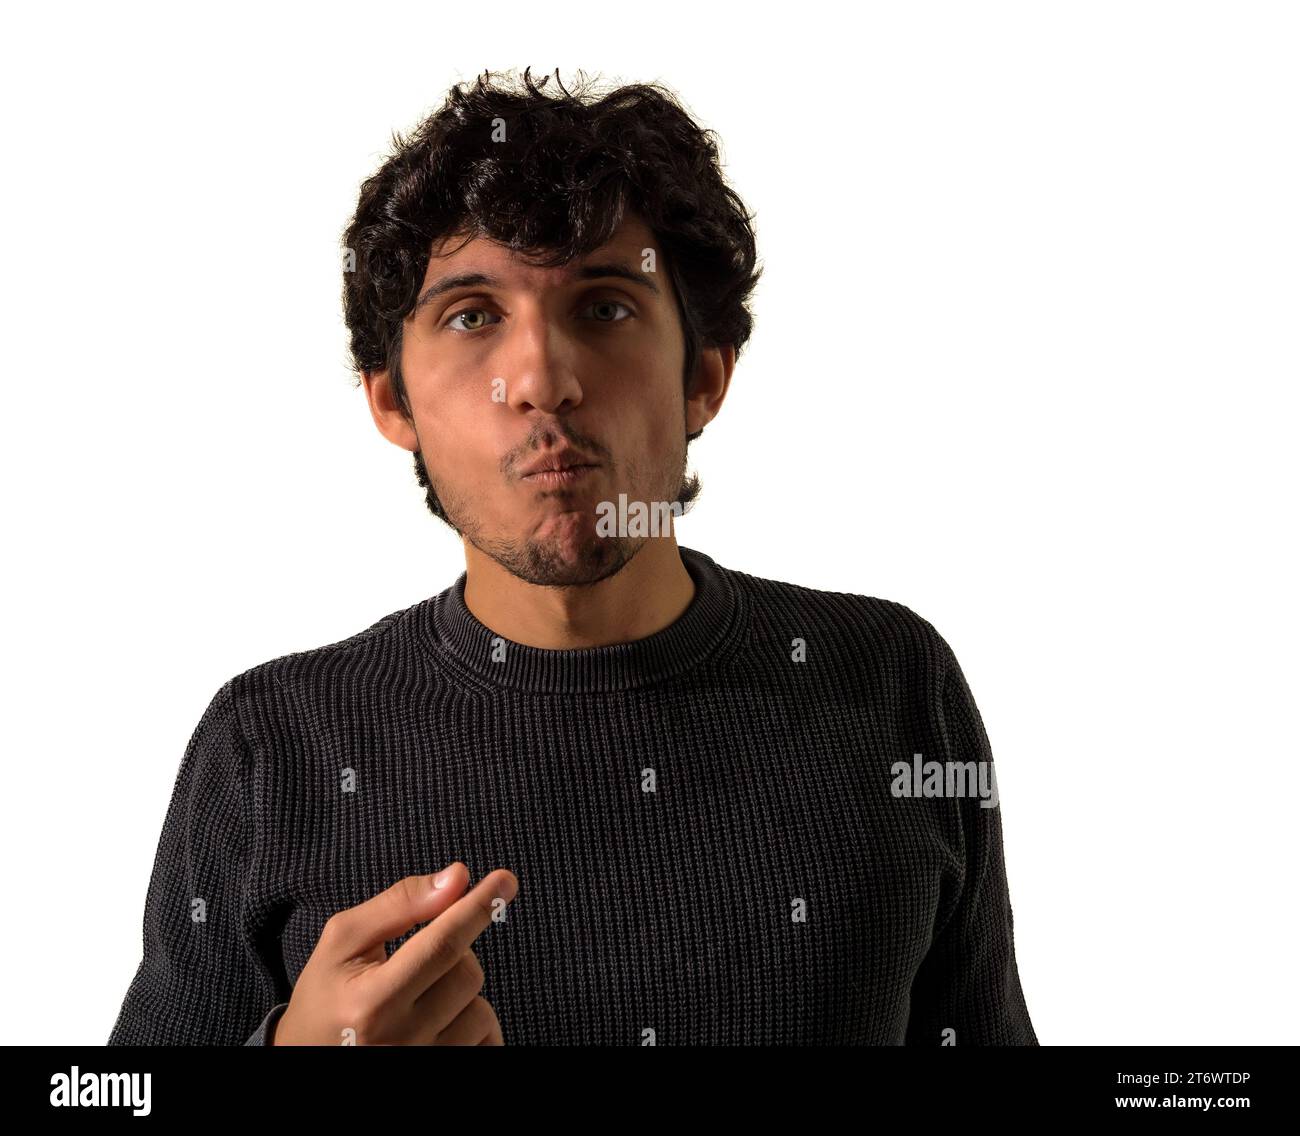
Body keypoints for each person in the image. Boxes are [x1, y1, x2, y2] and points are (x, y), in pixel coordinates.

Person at [108, 67, 1036, 1046]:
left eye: (604, 307)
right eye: (471, 315)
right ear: (393, 403)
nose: (542, 379)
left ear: (703, 378)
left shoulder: (892, 684)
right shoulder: (271, 748)